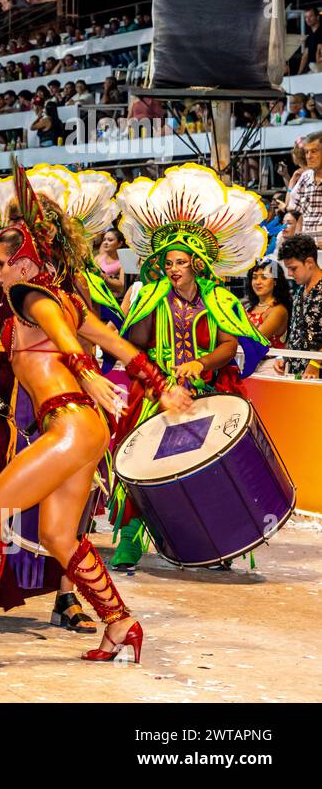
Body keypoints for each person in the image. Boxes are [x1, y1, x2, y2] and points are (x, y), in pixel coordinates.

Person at [0, 163, 192, 665]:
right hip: (85, 428)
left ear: (24, 265)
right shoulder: (68, 297)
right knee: (58, 535)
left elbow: (68, 339)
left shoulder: (33, 296)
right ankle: (120, 623)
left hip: (70, 423)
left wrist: (87, 373)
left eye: (2, 264)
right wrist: (161, 387)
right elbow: (118, 343)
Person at [114, 165, 270, 568]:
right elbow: (136, 346)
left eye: (180, 262)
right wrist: (145, 309)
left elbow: (228, 346)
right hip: (160, 392)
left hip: (210, 391)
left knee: (217, 468)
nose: (173, 269)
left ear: (197, 263)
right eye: (168, 263)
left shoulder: (218, 299)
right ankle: (130, 538)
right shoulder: (154, 297)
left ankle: (221, 536)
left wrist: (200, 365)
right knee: (137, 459)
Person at [275, 234, 322, 378]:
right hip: (298, 374)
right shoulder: (299, 290)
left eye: (293, 268)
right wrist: (284, 356)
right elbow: (296, 331)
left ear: (309, 262)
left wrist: (315, 363)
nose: (289, 273)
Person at [245, 259, 291, 351]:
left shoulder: (278, 310)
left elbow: (256, 340)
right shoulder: (248, 307)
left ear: (275, 281)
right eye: (254, 277)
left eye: (264, 277)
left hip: (270, 363)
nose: (258, 282)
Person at [286, 132, 322, 246]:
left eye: (314, 151)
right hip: (308, 248)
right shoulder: (305, 178)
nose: (309, 156)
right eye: (306, 152)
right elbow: (294, 210)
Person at [95, 228, 127, 301]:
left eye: (110, 240)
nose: (106, 242)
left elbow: (121, 286)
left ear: (120, 243)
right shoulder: (98, 259)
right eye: (104, 240)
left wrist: (104, 277)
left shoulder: (122, 263)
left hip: (113, 300)